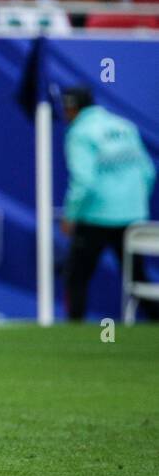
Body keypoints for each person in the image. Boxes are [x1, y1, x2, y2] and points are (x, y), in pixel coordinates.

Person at [60, 86, 157, 320]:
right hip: (132, 216)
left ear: (72, 108)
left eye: (66, 108)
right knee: (137, 275)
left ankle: (73, 334)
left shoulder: (80, 132)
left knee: (77, 276)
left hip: (96, 216)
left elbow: (84, 181)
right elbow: (148, 171)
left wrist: (71, 215)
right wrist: (133, 202)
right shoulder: (124, 126)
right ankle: (155, 324)